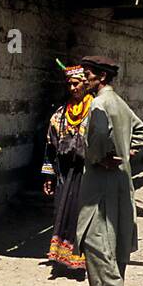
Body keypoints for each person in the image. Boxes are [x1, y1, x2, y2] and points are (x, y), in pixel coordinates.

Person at [76, 56, 143, 286]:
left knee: (93, 236)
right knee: (115, 235)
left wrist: (100, 157)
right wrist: (126, 154)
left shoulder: (99, 103)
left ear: (102, 77)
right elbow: (142, 131)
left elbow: (96, 138)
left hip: (101, 179)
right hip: (121, 178)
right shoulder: (118, 102)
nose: (84, 78)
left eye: (87, 74)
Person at [42, 65, 92, 273]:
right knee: (62, 211)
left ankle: (84, 261)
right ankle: (63, 259)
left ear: (86, 84)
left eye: (76, 83)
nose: (72, 88)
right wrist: (49, 176)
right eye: (69, 84)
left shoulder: (95, 110)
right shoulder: (60, 114)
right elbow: (50, 148)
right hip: (64, 172)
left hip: (87, 173)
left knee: (83, 214)